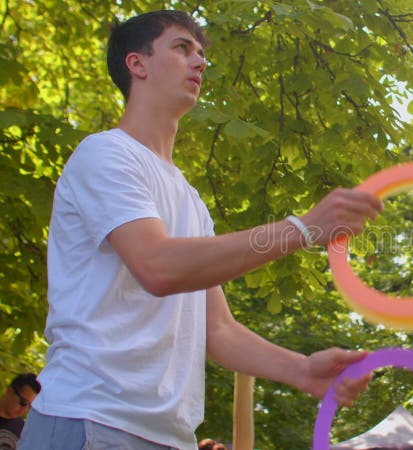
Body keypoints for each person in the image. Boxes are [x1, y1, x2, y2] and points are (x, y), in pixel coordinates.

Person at [20, 10, 383, 450]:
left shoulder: (190, 200)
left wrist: (301, 370)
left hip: (171, 438)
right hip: (89, 421)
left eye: (200, 53)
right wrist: (302, 229)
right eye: (181, 48)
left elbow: (218, 331)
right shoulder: (105, 154)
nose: (200, 62)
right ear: (138, 64)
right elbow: (157, 267)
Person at [0, 373, 40, 449]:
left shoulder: (24, 431)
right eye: (23, 402)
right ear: (10, 391)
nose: (25, 409)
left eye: (30, 406)